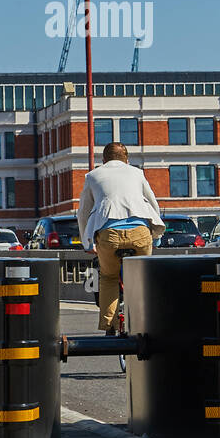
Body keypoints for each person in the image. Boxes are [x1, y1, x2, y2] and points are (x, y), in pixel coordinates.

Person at [77, 142, 166, 333]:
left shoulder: (93, 176)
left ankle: (110, 324)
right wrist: (156, 236)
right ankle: (147, 320)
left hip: (109, 235)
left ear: (104, 160)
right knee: (142, 277)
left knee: (108, 277)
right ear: (127, 159)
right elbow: (153, 204)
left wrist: (87, 242)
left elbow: (83, 212)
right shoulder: (136, 173)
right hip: (140, 233)